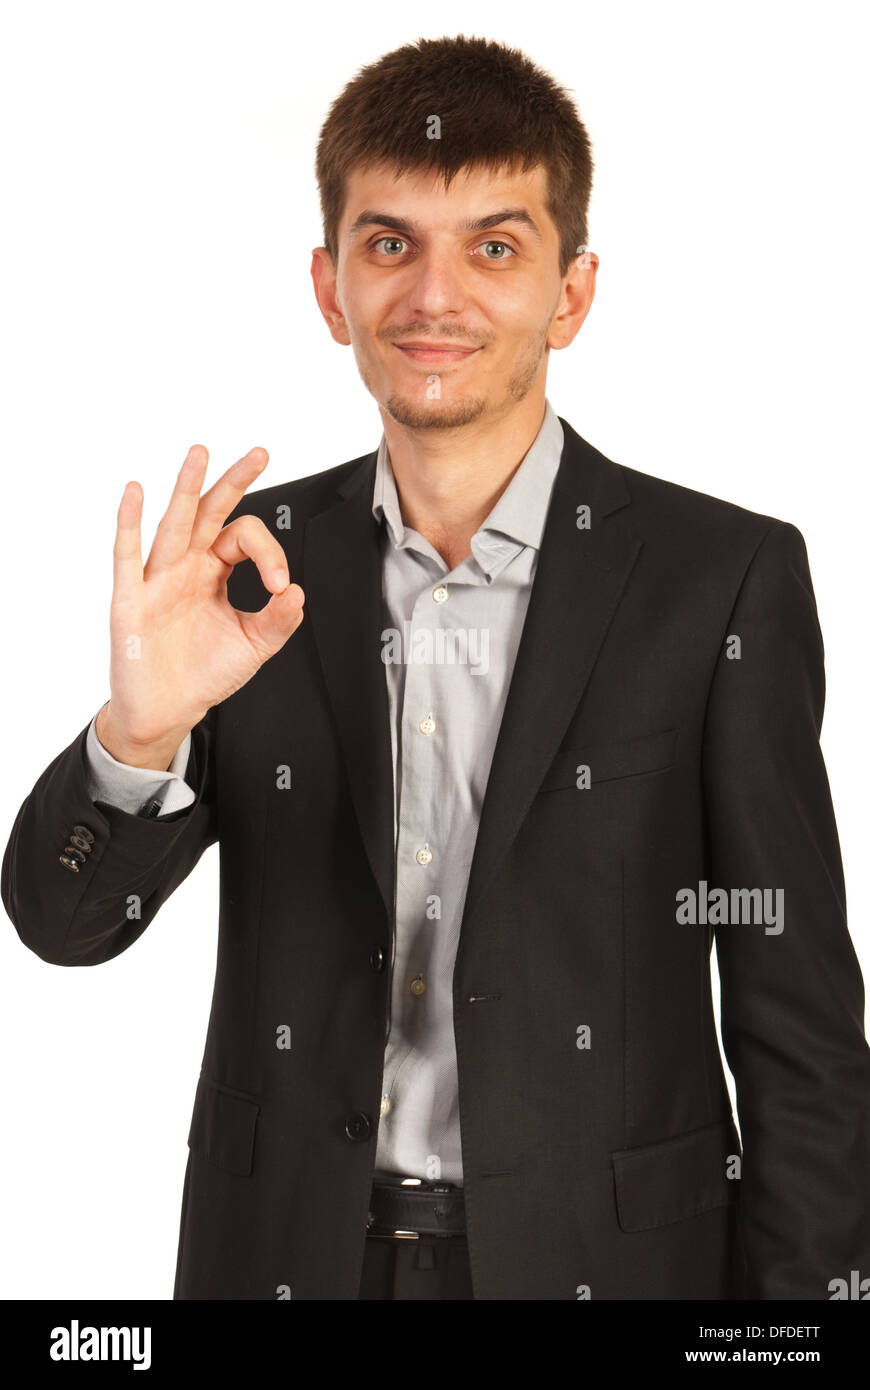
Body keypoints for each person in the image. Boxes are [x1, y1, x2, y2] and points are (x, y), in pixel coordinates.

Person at [4, 33, 869, 1301]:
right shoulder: (248, 574)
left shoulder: (719, 578)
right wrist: (139, 735)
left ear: (571, 293)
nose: (435, 299)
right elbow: (64, 927)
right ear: (330, 285)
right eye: (391, 242)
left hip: (614, 1269)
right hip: (288, 1262)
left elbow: (797, 1019)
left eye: (496, 247)